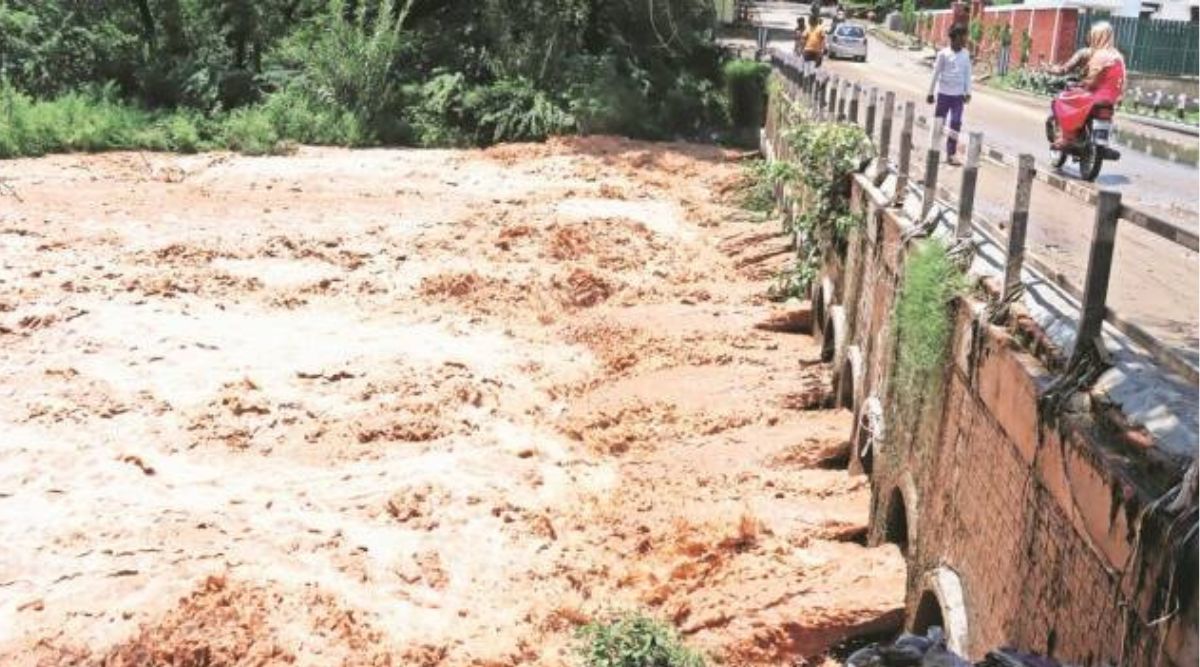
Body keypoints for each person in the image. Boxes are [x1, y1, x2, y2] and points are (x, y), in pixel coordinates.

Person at [1048, 21, 1125, 147]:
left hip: (1096, 95)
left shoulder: (1099, 55)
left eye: (1093, 35)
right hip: (1112, 98)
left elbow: (1092, 79)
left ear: (1097, 36)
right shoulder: (1117, 55)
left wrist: (1083, 84)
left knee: (1062, 99)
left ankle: (1067, 137)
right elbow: (1122, 80)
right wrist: (1120, 96)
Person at [926, 24, 972, 165]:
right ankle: (933, 151)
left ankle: (951, 154)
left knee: (956, 124)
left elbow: (967, 74)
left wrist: (968, 92)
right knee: (938, 123)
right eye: (963, 36)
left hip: (958, 96)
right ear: (956, 37)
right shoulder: (943, 54)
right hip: (943, 95)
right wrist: (930, 92)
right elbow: (935, 73)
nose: (965, 39)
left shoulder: (965, 54)